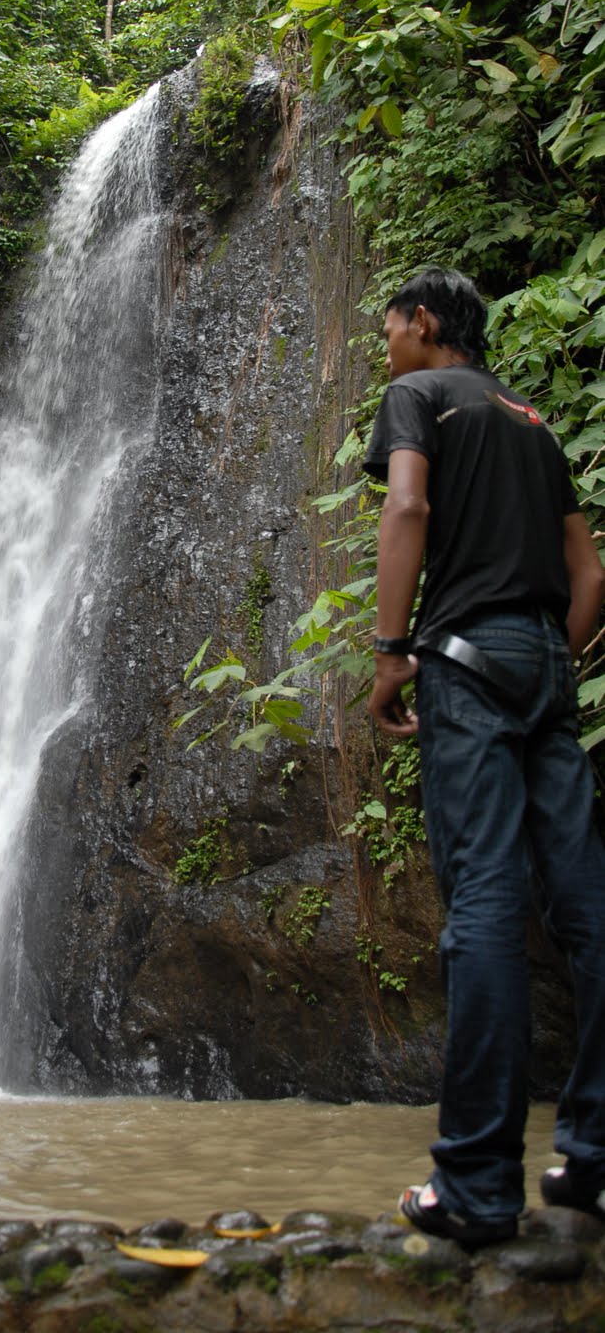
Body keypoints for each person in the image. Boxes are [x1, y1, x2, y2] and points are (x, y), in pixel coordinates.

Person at [364, 266, 605, 1247]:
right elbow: (590, 571)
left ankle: (474, 1185)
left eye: (389, 330)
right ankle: (592, 1158)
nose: (386, 348)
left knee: (487, 909)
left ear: (425, 324)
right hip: (551, 660)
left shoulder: (417, 396)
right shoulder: (534, 420)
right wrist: (554, 656)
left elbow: (408, 509)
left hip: (464, 660)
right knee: (589, 910)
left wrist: (391, 652)